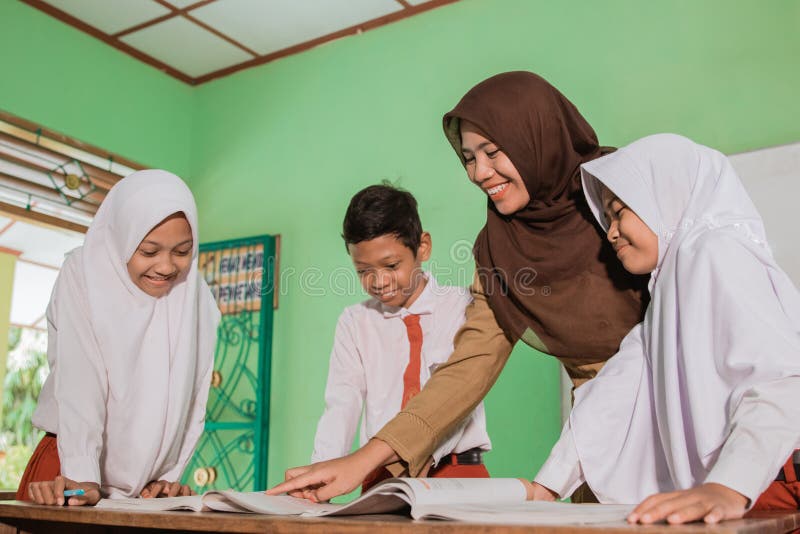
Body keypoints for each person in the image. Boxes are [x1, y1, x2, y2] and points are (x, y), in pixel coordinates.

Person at [269, 71, 649, 502]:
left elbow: (673, 329)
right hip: (596, 437)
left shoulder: (622, 194)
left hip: (677, 407)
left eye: (492, 152)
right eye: (469, 158)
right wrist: (363, 459)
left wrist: (545, 485)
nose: (479, 173)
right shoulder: (500, 249)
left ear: (535, 136)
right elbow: (469, 366)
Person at [530, 133, 800, 524]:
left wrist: (729, 485)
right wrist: (548, 485)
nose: (611, 231)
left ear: (667, 196)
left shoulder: (716, 252)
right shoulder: (669, 290)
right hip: (747, 487)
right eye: (607, 217)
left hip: (773, 483)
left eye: (620, 211)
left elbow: (785, 380)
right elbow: (616, 392)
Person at [17, 170, 220, 506]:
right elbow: (81, 378)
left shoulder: (195, 295)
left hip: (145, 490)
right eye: (149, 251)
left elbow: (194, 395)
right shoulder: (83, 274)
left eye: (182, 251)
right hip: (68, 471)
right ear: (121, 238)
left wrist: (170, 475)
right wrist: (82, 471)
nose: (167, 267)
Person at [310, 184, 491, 497]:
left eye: (391, 266)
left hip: (458, 473)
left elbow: (458, 398)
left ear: (423, 247)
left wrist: (414, 450)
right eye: (363, 271)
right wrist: (320, 475)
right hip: (380, 480)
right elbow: (342, 403)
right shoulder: (355, 322)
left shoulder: (464, 307)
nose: (378, 281)